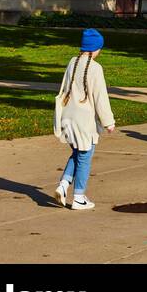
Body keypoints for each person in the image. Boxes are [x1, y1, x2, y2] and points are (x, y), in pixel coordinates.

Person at [53, 29, 115, 211]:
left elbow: (64, 88)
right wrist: (108, 122)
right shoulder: (96, 68)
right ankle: (79, 196)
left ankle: (63, 185)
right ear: (95, 48)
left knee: (78, 153)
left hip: (68, 116)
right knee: (85, 156)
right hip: (84, 120)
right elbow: (100, 97)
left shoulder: (72, 62)